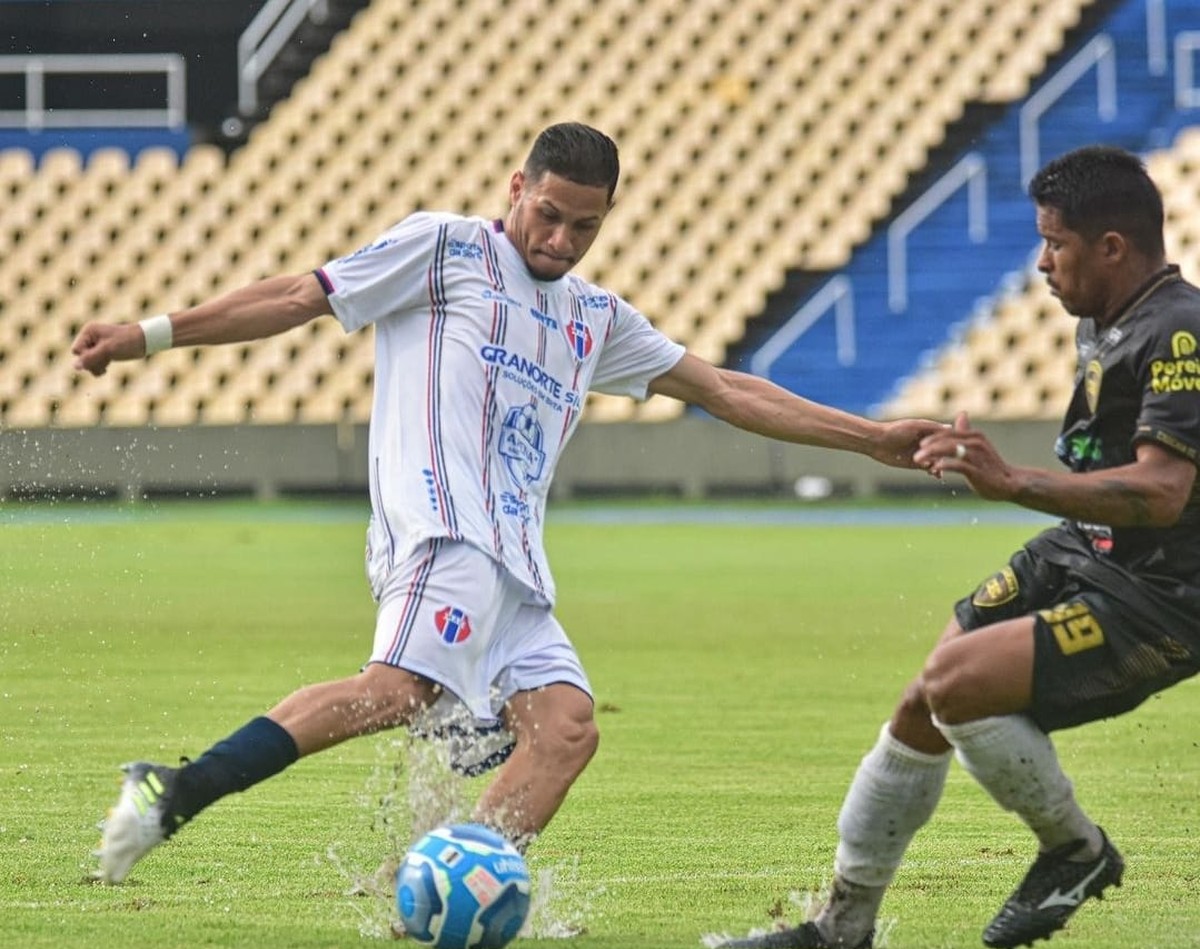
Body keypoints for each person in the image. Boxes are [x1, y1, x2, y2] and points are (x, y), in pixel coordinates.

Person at [74, 122, 941, 887]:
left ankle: (433, 882)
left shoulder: (595, 319)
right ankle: (176, 789)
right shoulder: (444, 248)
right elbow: (298, 296)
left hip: (518, 567)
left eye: (585, 227)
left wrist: (871, 439)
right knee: (394, 692)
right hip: (443, 533)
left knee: (565, 731)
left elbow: (724, 390)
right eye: (548, 214)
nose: (561, 239)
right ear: (516, 189)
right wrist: (150, 334)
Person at [715, 144, 1200, 949]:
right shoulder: (1105, 320)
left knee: (957, 684)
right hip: (1088, 551)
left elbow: (1163, 493)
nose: (1041, 263)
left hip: (1165, 594)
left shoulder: (1180, 332)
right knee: (921, 705)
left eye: (1056, 244)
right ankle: (843, 929)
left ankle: (1074, 850)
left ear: (1112, 247)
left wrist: (1010, 482)